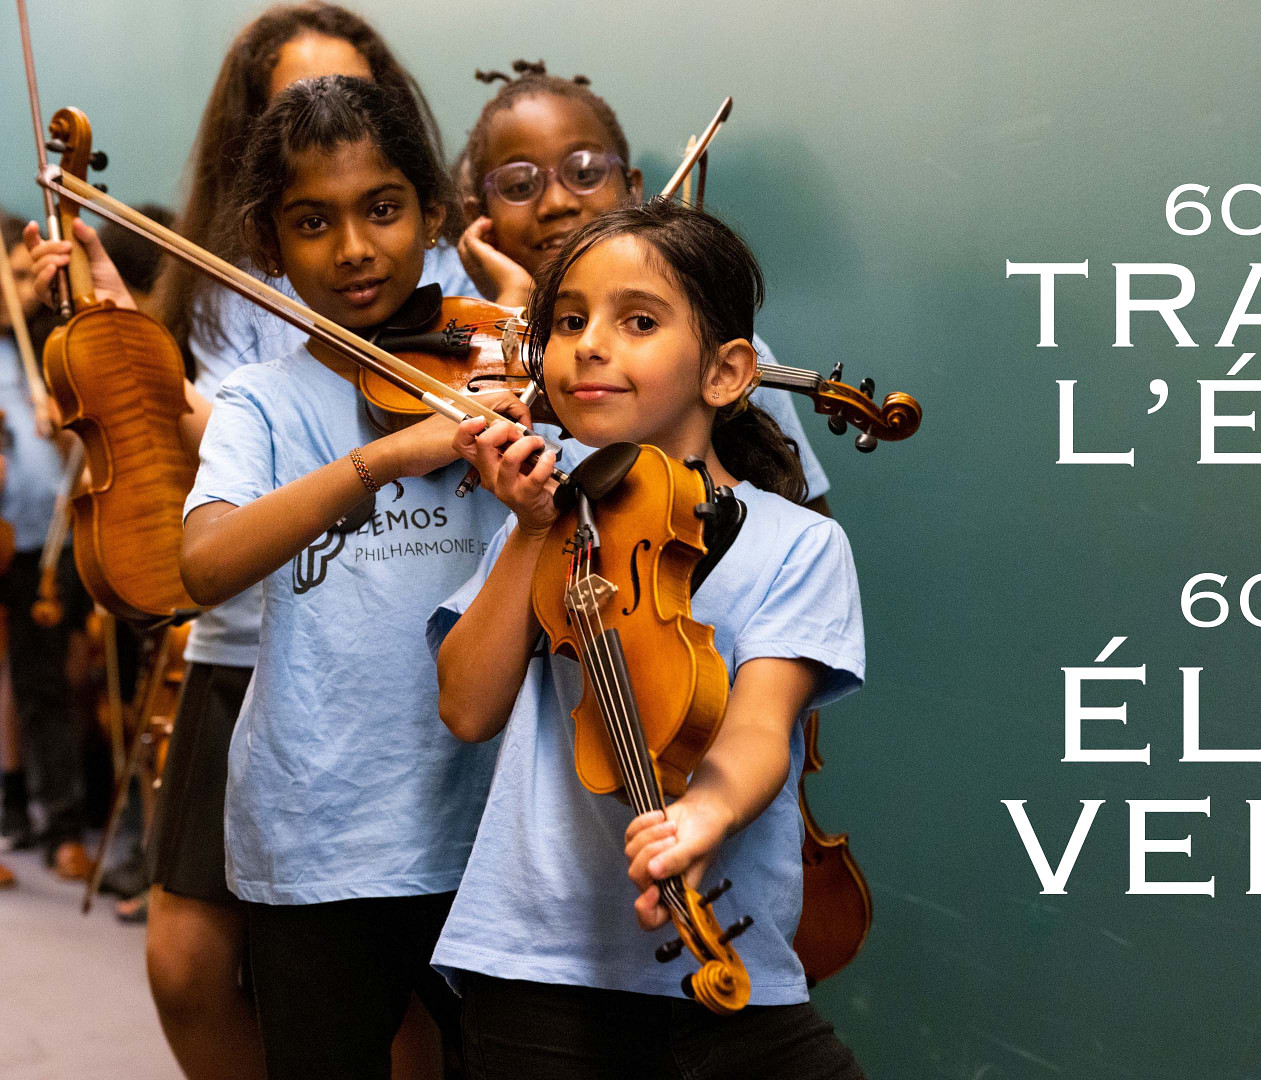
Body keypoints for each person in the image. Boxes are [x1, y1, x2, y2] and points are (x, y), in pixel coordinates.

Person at [25, 7, 470, 1076]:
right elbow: (201, 489)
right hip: (259, 653)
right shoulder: (229, 298)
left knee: (427, 1003)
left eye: (355, 97)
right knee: (200, 964)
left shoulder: (462, 304)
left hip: (426, 677)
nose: (354, 245)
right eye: (294, 108)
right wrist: (116, 341)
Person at [434, 203, 866, 1078]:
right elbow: (467, 707)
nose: (590, 344)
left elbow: (758, 726)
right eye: (568, 321)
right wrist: (527, 530)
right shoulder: (542, 519)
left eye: (637, 321)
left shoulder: (800, 543)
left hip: (730, 964)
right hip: (535, 965)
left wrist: (704, 811)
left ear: (726, 372)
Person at [176, 74, 519, 1079]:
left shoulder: (502, 369)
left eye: (382, 209)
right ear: (270, 247)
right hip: (322, 830)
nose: (356, 249)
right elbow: (205, 562)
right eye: (312, 223)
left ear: (434, 213)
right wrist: (386, 458)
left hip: (496, 822)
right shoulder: (262, 405)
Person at [453, 59, 832, 513]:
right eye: (519, 184)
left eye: (586, 171)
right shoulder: (466, 361)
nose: (555, 202)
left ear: (633, 190)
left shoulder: (714, 350)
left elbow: (799, 519)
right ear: (480, 216)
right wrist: (516, 303)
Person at [0, 214, 93, 882]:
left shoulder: (52, 344)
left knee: (44, 683)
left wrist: (56, 429)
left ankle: (62, 822)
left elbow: (83, 445)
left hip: (44, 540)